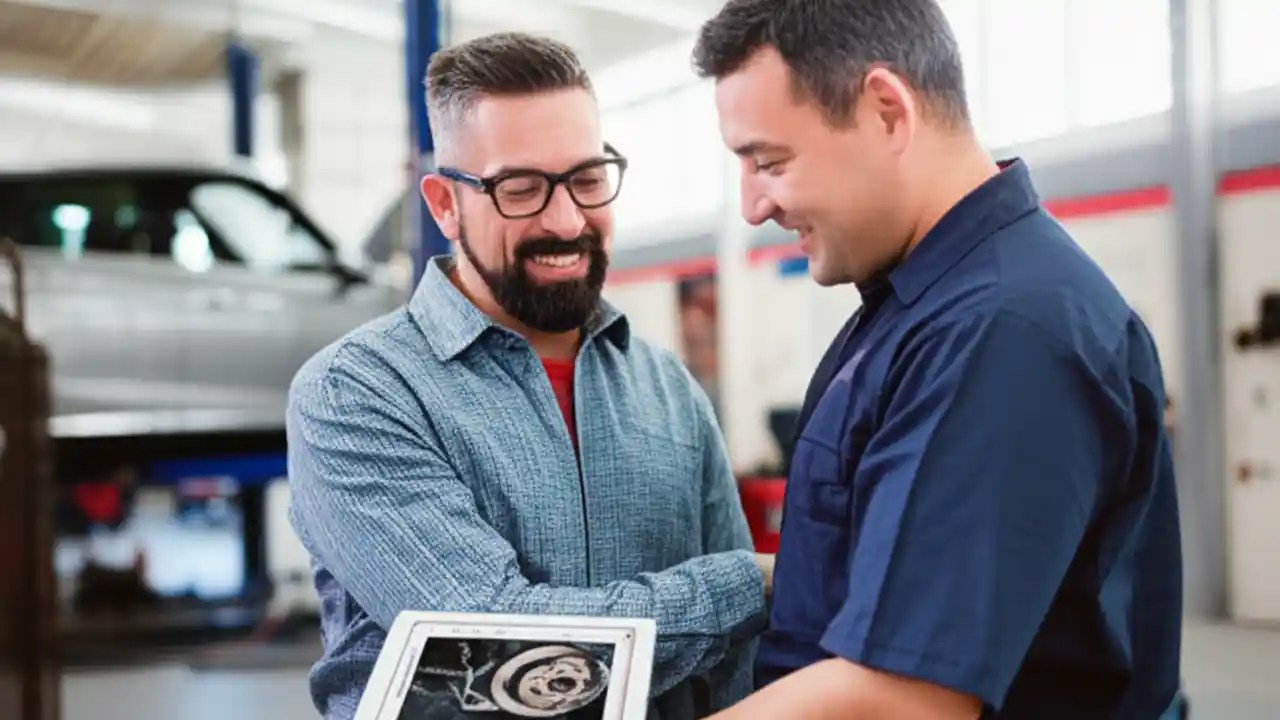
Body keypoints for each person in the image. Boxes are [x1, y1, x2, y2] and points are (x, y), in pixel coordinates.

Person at [691, 1, 1183, 718]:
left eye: (770, 162)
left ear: (887, 112)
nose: (752, 207)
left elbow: (905, 699)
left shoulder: (1002, 331)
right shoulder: (920, 305)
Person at [286, 32, 768, 720]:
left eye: (588, 179)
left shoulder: (669, 391)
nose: (566, 220)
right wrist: (746, 583)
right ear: (445, 205)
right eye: (521, 189)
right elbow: (494, 640)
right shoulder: (357, 393)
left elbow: (737, 668)